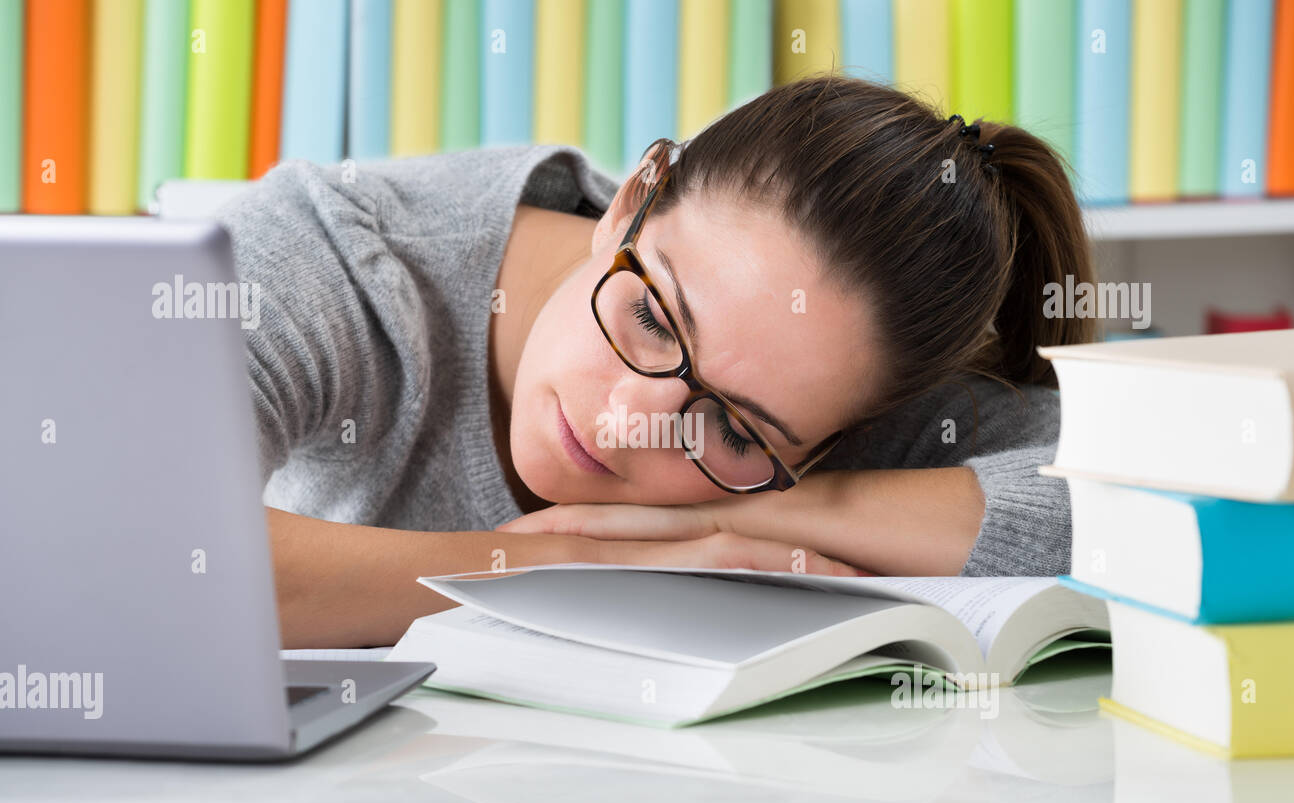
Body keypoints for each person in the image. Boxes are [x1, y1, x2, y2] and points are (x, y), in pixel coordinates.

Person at [216, 73, 1097, 649]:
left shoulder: (825, 371)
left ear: (820, 448)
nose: (622, 417)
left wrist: (778, 518)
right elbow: (163, 548)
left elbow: (1144, 496)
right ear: (633, 200)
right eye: (649, 314)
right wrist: (569, 569)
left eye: (729, 426)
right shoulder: (333, 256)